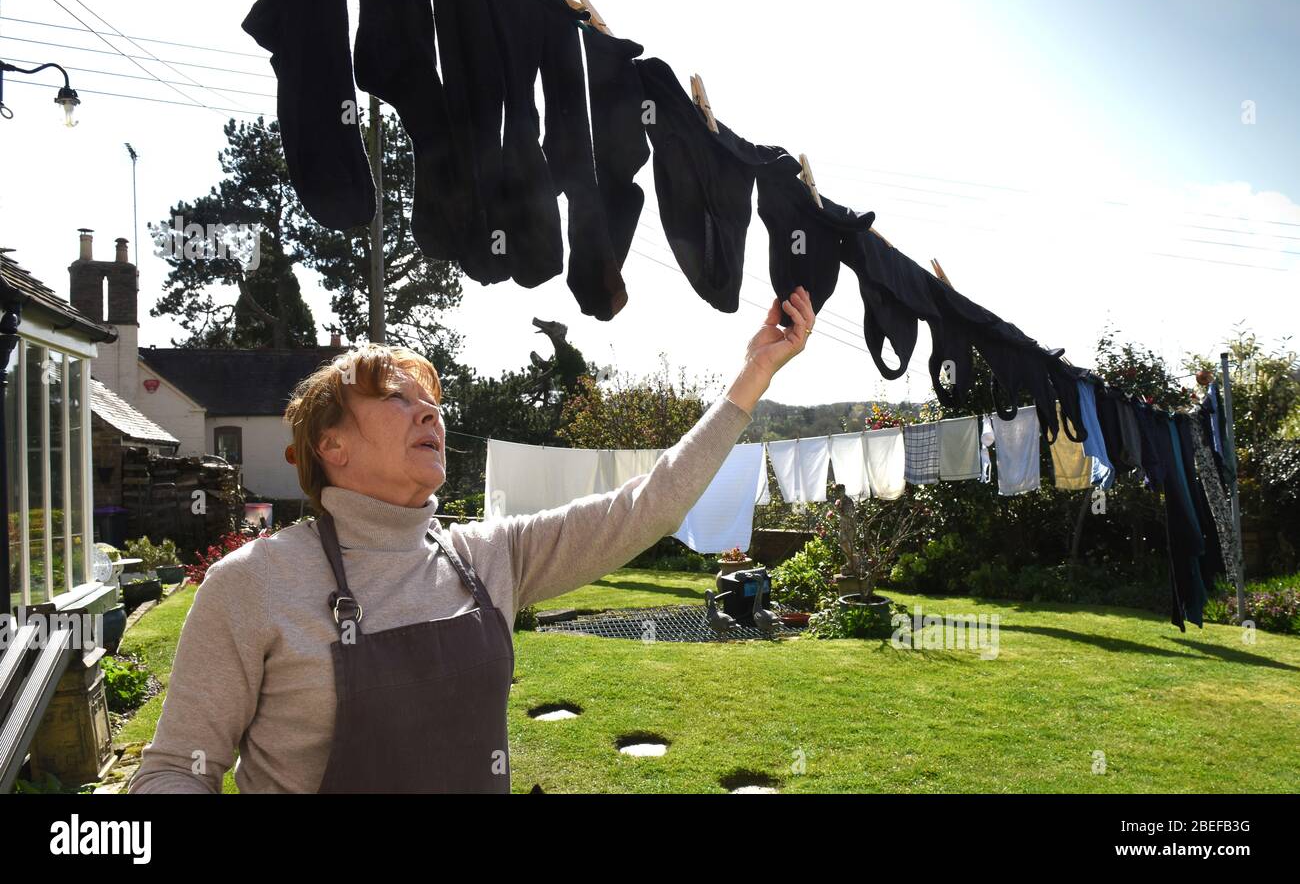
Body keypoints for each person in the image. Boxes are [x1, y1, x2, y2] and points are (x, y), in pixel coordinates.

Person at [128, 287, 816, 793]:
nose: (430, 410)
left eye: (433, 402)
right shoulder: (252, 585)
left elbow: (650, 504)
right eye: (398, 398)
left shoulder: (487, 557)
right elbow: (174, 770)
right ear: (329, 445)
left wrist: (751, 378)